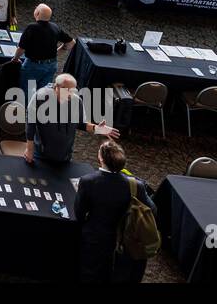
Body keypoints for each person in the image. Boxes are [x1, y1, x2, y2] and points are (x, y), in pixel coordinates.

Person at [74, 139, 155, 283]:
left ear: (101, 159)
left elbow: (79, 213)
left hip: (95, 240)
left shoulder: (88, 181)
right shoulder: (136, 185)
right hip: (125, 242)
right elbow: (152, 210)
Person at [24, 73, 119, 166]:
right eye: (67, 90)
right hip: (40, 154)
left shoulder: (77, 101)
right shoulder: (40, 97)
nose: (70, 94)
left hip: (65, 156)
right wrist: (29, 148)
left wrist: (97, 128)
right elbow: (30, 124)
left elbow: (81, 124)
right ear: (56, 87)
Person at [13, 3, 73, 101]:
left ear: (37, 13)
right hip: (51, 65)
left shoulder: (31, 27)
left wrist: (15, 58)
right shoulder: (55, 27)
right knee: (42, 93)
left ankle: (25, 112)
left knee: (26, 91)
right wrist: (57, 52)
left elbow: (21, 48)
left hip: (33, 66)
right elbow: (71, 42)